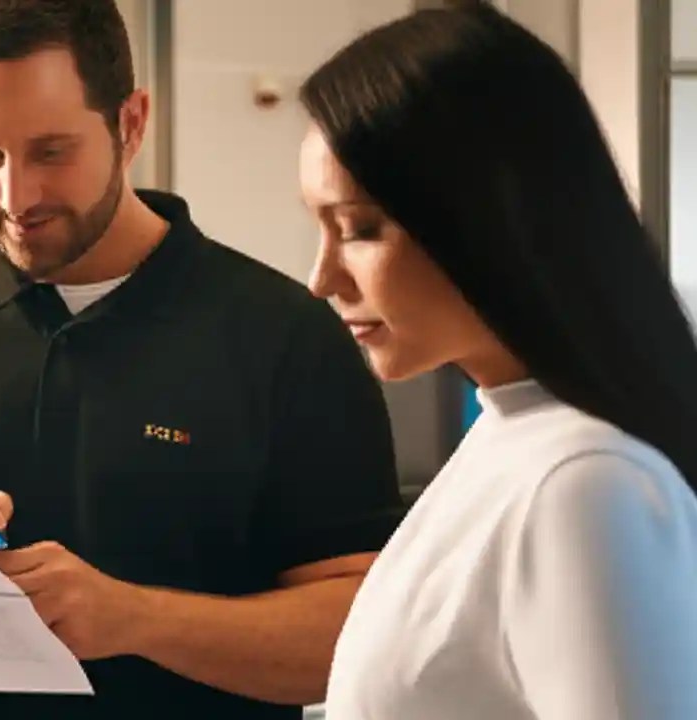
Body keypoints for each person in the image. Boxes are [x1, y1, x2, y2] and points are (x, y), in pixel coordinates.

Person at [0, 1, 405, 718]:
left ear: (131, 123)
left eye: (51, 152)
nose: (15, 196)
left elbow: (361, 638)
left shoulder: (285, 336)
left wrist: (133, 618)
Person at [296, 3, 697, 719]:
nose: (321, 278)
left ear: (482, 214)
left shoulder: (586, 483)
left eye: (358, 229)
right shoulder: (511, 435)